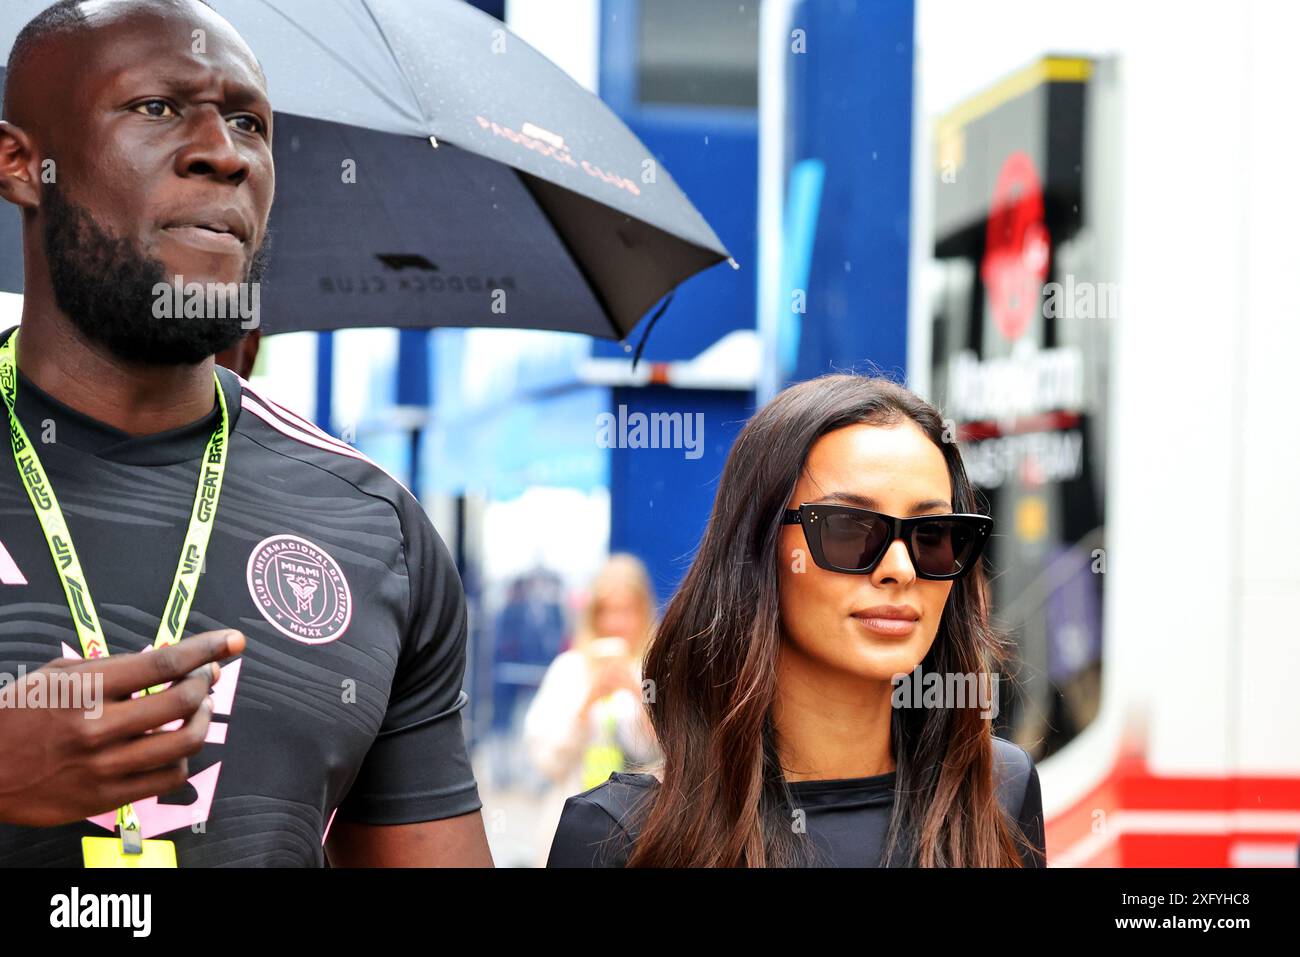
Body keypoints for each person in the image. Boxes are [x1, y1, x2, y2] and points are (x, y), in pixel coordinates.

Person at [0, 0, 491, 866]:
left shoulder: (377, 530)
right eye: (155, 108)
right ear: (19, 162)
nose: (223, 154)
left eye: (247, 123)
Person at [546, 374, 1046, 867]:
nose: (900, 568)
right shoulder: (620, 835)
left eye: (933, 532)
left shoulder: (1000, 788)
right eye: (849, 528)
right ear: (759, 549)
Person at [524, 554, 660, 866]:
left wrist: (639, 698)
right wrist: (587, 704)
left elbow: (665, 753)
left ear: (644, 611)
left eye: (626, 611)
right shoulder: (568, 669)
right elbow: (547, 760)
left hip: (640, 829)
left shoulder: (658, 669)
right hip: (574, 824)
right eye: (606, 611)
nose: (615, 623)